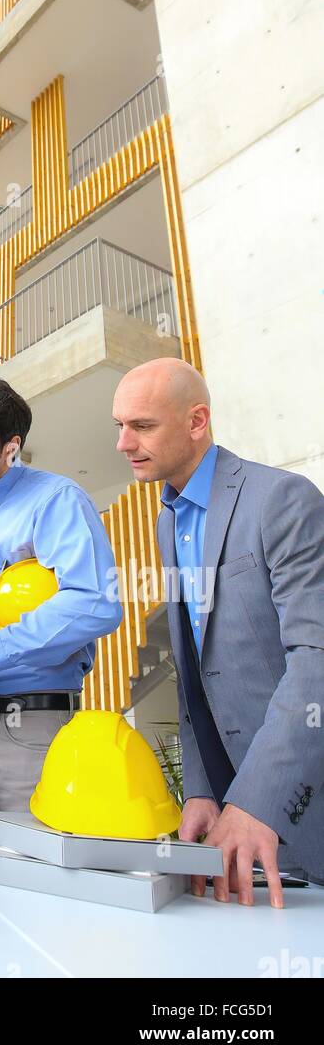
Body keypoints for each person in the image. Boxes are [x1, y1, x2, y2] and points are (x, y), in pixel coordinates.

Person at [113, 357, 324, 906]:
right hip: (240, 833)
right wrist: (204, 790)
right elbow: (193, 674)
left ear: (197, 421)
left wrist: (258, 800)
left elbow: (315, 655)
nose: (123, 443)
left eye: (141, 426)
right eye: (119, 426)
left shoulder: (281, 499)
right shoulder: (167, 520)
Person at [0, 377, 121, 811]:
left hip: (27, 727)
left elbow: (96, 603)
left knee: (17, 865)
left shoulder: (57, 500)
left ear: (10, 447)